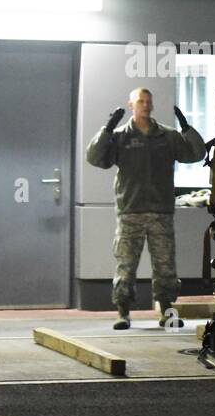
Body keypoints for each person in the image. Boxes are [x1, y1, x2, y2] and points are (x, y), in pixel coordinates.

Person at [85, 87, 206, 330]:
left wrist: (186, 127)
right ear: (131, 105)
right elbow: (95, 158)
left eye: (149, 101)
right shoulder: (120, 137)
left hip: (160, 211)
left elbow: (196, 153)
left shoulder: (168, 136)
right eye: (140, 101)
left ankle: (167, 312)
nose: (146, 105)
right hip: (131, 211)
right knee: (126, 265)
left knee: (165, 266)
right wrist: (107, 129)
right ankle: (123, 313)